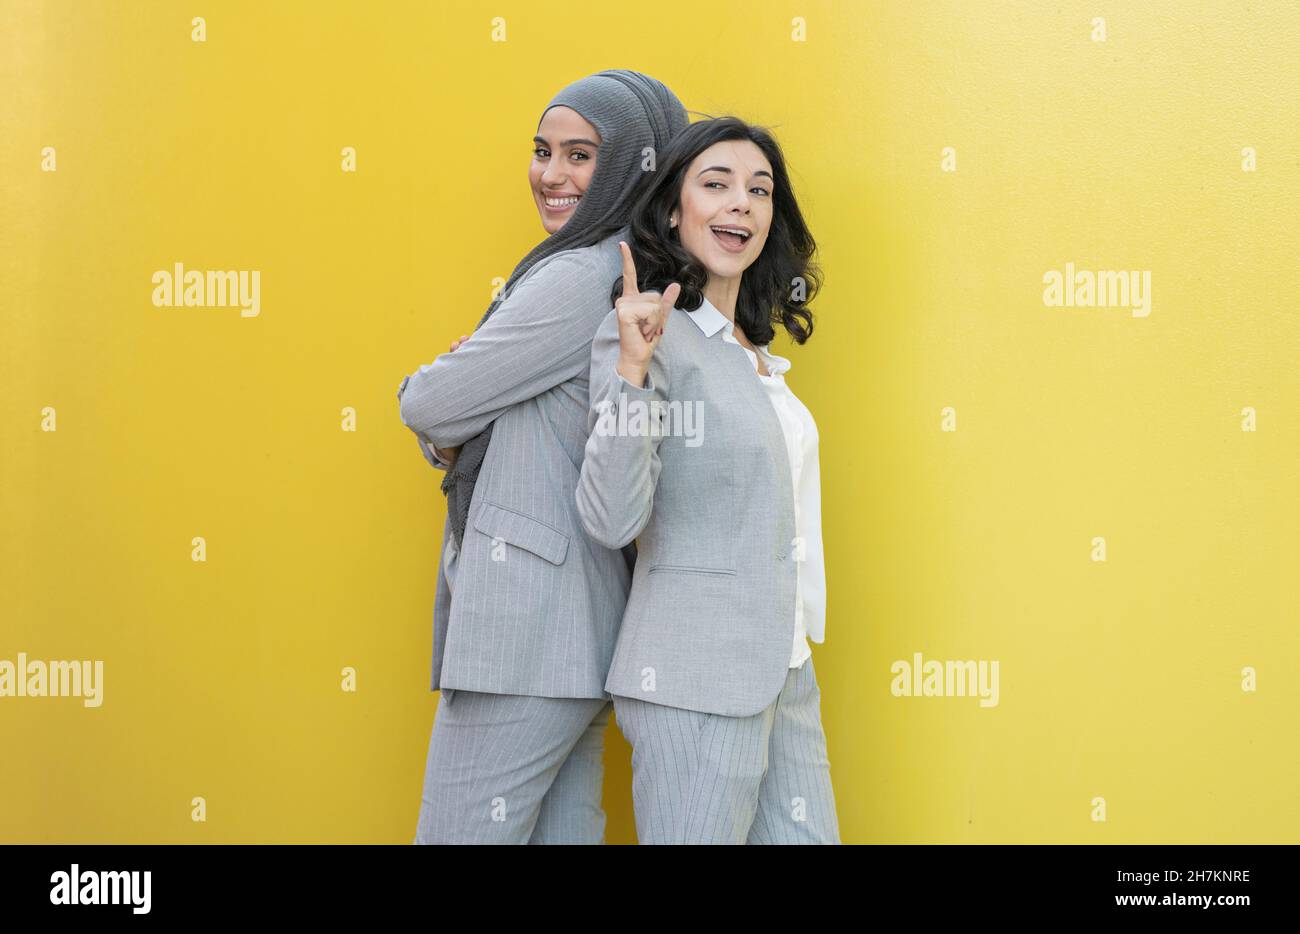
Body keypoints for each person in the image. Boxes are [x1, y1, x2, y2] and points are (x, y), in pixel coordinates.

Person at [397, 70, 688, 843]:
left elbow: (429, 403)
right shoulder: (626, 271)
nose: (551, 175)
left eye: (581, 155)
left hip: (521, 634)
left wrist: (448, 410)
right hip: (580, 635)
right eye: (541, 151)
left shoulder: (575, 274)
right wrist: (464, 405)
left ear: (634, 164)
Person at [575, 116, 839, 843]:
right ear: (673, 210)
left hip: (785, 670)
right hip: (694, 679)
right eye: (715, 185)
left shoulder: (753, 354)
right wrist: (631, 372)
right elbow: (611, 518)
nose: (741, 205)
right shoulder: (650, 338)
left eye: (759, 190)